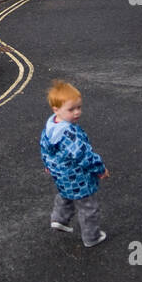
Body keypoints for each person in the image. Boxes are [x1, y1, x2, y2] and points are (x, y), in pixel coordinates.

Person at [39, 79, 108, 248]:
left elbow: (45, 149)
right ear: (56, 109)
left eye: (79, 107)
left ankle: (59, 219)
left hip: (60, 173)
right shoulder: (69, 134)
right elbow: (84, 155)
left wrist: (48, 165)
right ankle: (92, 236)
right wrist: (99, 169)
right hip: (78, 176)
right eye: (71, 109)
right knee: (88, 207)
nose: (77, 112)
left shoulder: (51, 126)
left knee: (65, 194)